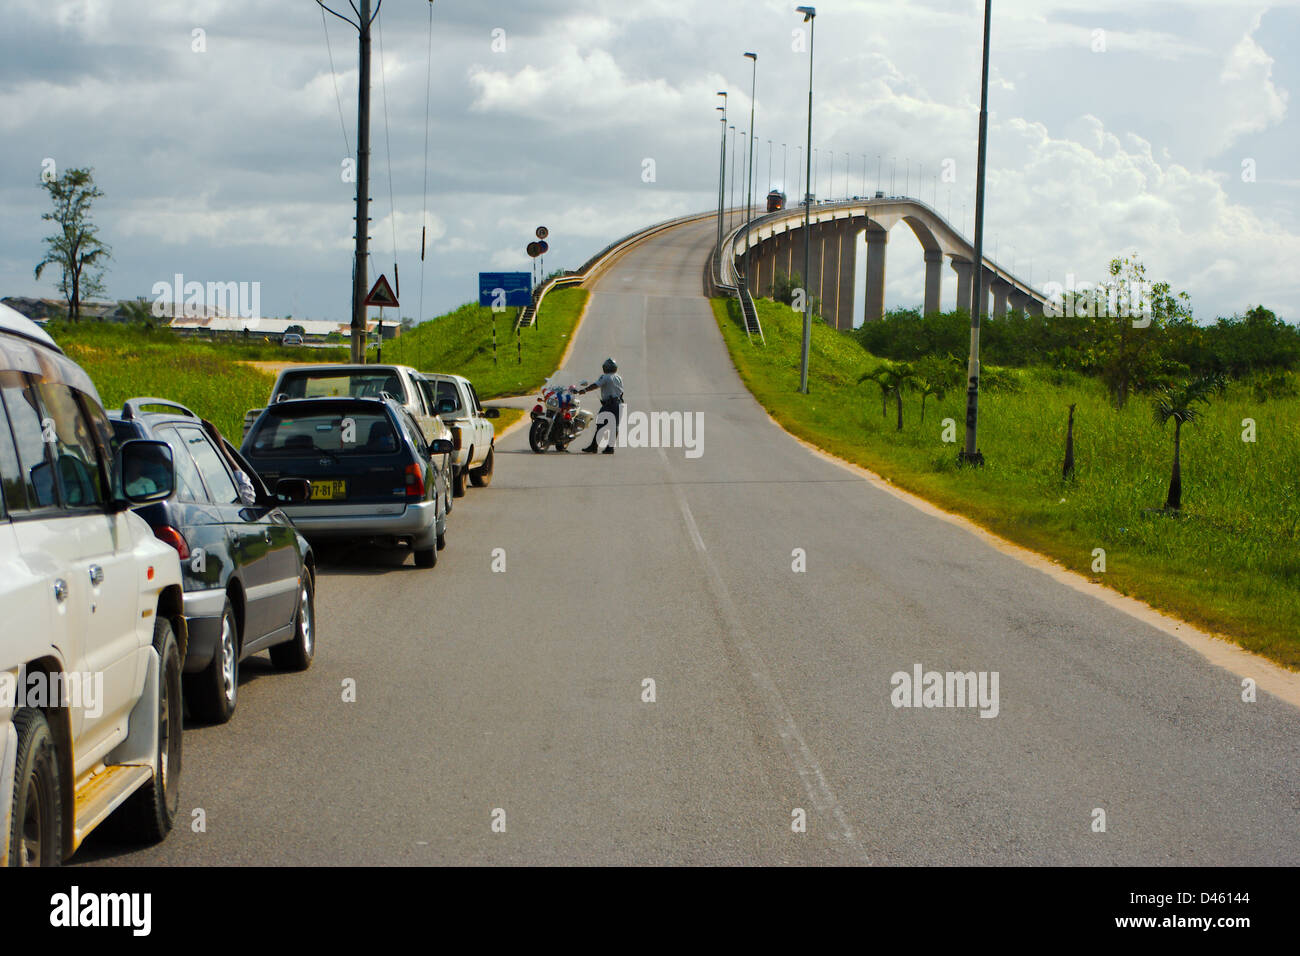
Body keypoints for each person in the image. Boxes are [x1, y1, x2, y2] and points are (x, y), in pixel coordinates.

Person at [579, 358, 623, 454]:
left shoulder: (605, 377)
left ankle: (594, 446)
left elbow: (596, 385)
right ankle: (610, 448)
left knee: (601, 424)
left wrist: (584, 390)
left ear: (606, 368)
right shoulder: (618, 377)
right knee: (614, 426)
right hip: (619, 404)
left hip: (609, 404)